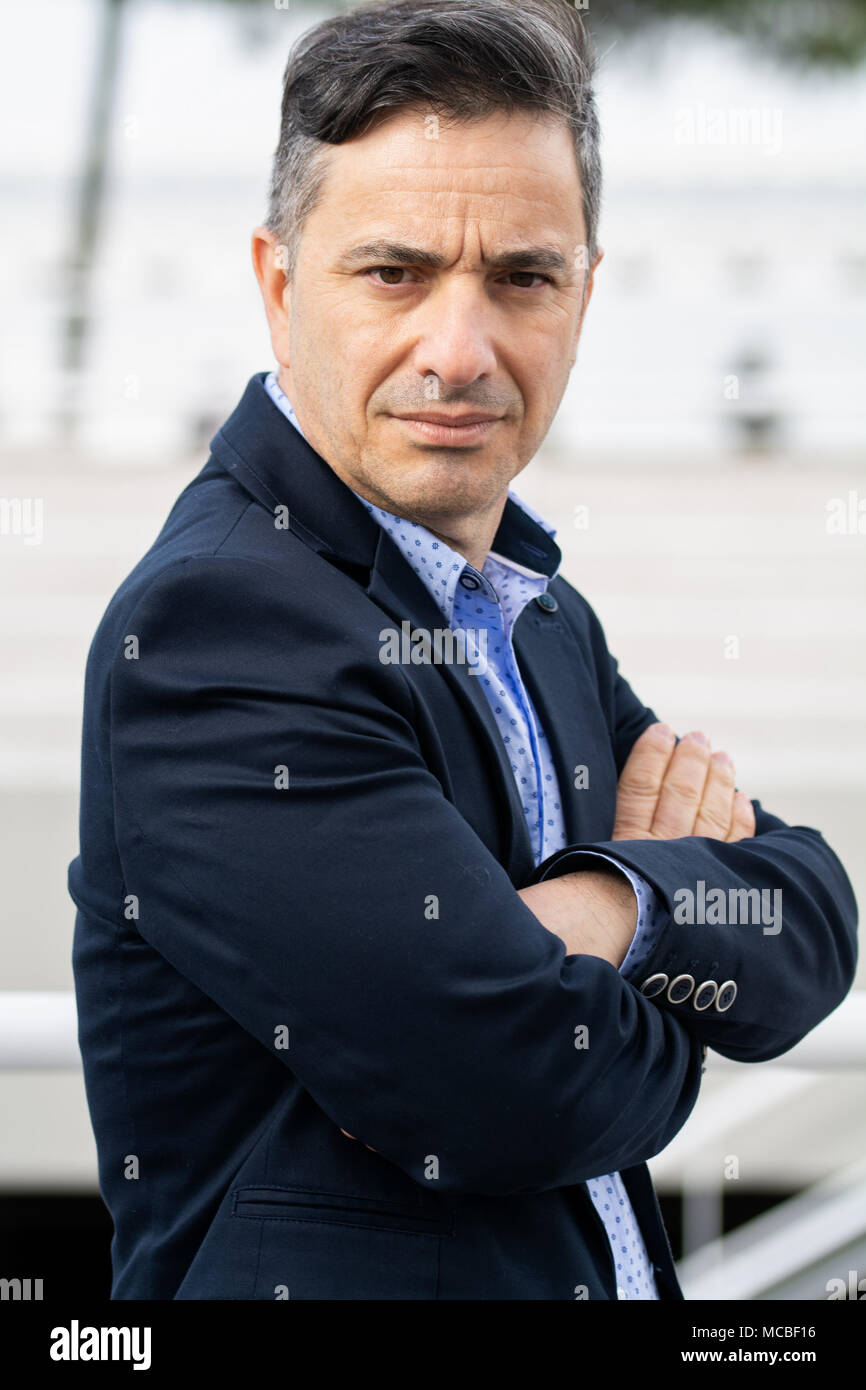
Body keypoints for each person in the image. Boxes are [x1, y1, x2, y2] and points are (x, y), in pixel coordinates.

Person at [68, 0, 857, 1300]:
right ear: (277, 285)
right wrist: (671, 996)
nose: (460, 348)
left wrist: (612, 904)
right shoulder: (222, 626)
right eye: (395, 272)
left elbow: (808, 918)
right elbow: (506, 1089)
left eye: (521, 278)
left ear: (584, 291)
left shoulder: (531, 608)